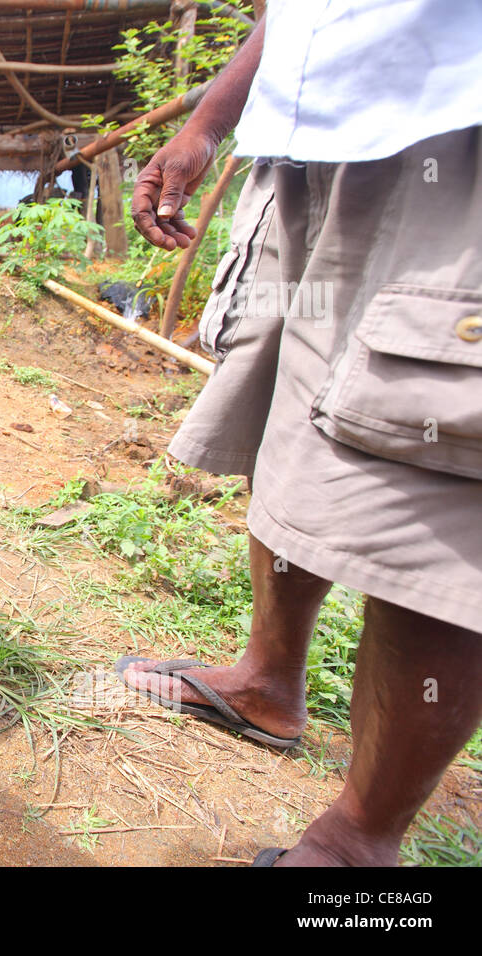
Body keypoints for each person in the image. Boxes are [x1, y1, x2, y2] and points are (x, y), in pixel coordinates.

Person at [119, 2, 482, 866]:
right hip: (310, 143)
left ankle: (360, 841)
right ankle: (267, 682)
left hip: (453, 124)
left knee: (435, 458)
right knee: (293, 405)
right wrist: (211, 119)